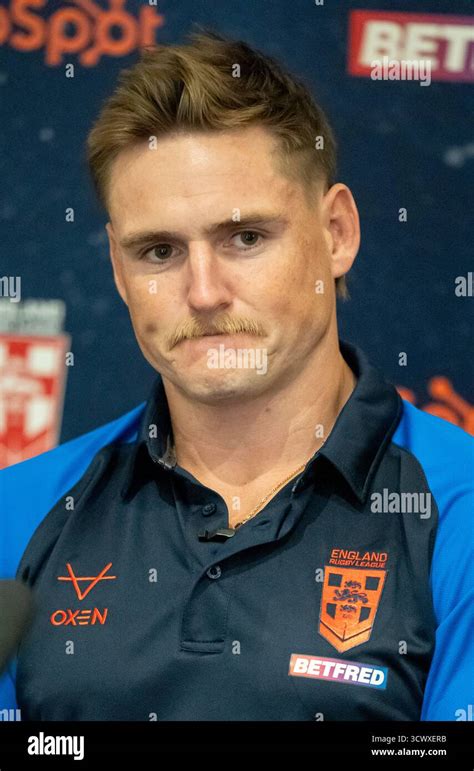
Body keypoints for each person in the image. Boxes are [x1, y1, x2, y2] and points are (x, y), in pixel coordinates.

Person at [0, 29, 472, 722]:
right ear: (118, 270)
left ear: (337, 233)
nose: (203, 292)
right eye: (159, 251)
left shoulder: (459, 507)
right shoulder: (19, 511)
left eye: (245, 238)